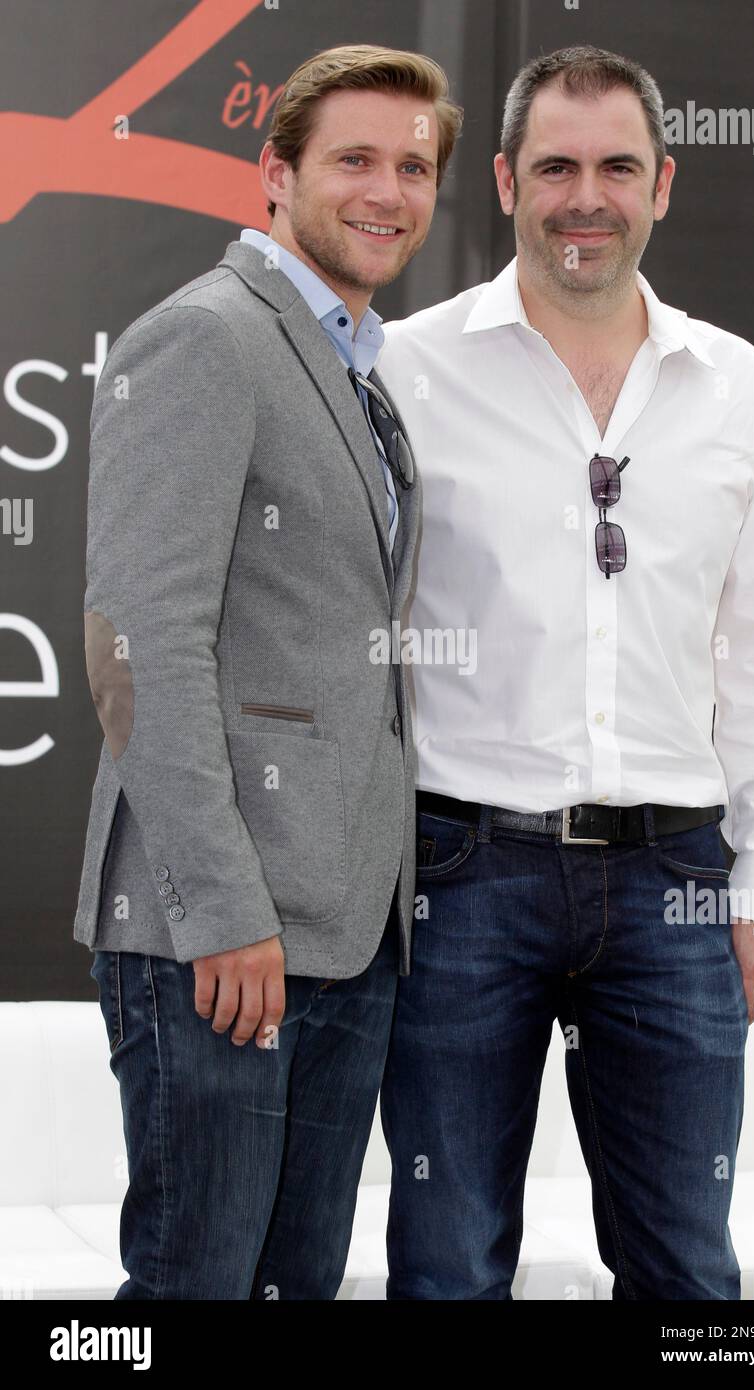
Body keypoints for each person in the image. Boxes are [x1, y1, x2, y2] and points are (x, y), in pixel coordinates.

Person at [375, 44, 754, 1300]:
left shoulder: (733, 381)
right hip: (461, 877)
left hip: (679, 877)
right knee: (447, 1263)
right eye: (557, 167)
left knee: (689, 1272)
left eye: (617, 167)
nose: (588, 196)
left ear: (664, 185)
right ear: (508, 181)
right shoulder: (407, 367)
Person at [73, 43, 461, 1300]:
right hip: (220, 935)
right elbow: (141, 645)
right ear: (274, 173)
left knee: (294, 1283)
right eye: (355, 159)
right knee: (195, 1285)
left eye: (414, 166)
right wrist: (228, 910)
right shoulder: (205, 338)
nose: (387, 191)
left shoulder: (359, 364)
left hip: (345, 931)